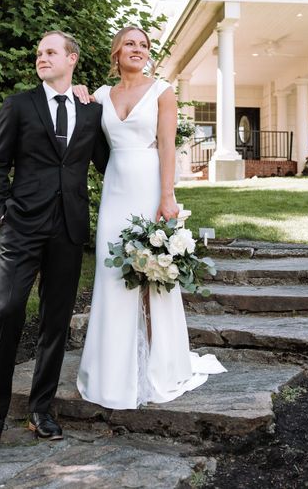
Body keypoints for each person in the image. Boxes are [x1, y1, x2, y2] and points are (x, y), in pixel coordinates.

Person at [0, 31, 109, 456]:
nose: (41, 58)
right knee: (8, 311)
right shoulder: (18, 104)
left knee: (56, 321)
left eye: (50, 52)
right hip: (23, 226)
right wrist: (2, 213)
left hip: (69, 228)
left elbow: (110, 163)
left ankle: (41, 409)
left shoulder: (90, 112)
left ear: (72, 58)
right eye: (38, 53)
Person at [75, 25, 224, 410]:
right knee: (113, 277)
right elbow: (83, 123)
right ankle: (112, 372)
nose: (137, 50)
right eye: (130, 44)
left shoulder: (162, 92)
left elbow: (167, 147)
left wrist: (167, 196)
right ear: (116, 53)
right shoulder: (102, 95)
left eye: (143, 45)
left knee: (154, 277)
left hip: (148, 187)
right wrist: (77, 94)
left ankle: (161, 365)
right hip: (114, 191)